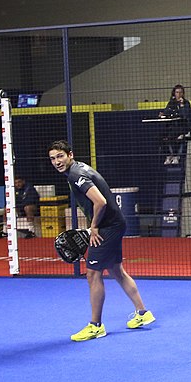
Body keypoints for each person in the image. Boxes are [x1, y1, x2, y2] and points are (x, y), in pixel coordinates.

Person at [48, 140, 155, 341]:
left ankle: (95, 326)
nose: (57, 161)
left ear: (69, 154)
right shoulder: (79, 168)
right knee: (116, 270)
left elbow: (100, 202)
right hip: (115, 224)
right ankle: (143, 313)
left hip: (107, 228)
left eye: (60, 156)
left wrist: (94, 227)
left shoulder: (76, 174)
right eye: (53, 158)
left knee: (92, 274)